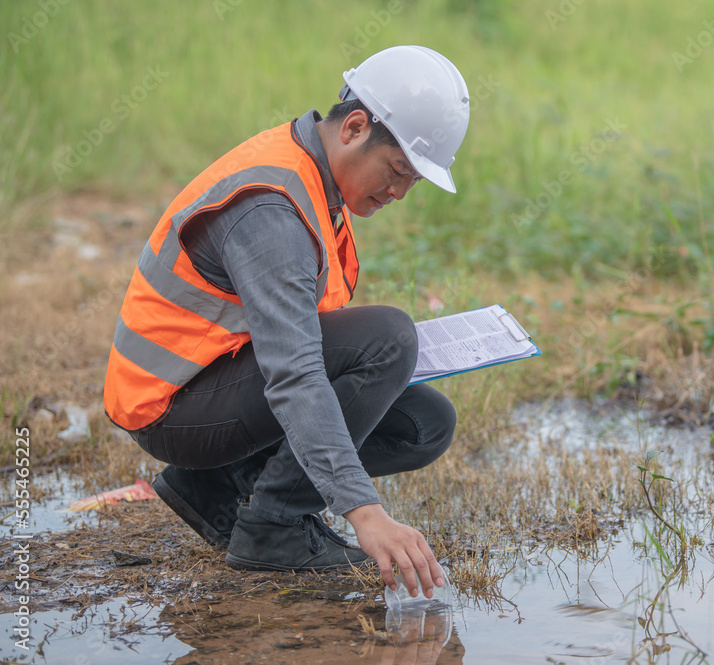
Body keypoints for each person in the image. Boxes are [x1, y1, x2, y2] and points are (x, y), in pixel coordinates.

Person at [103, 45, 471, 601]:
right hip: (173, 407)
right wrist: (364, 512)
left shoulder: (315, 179)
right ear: (353, 127)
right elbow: (296, 372)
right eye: (397, 171)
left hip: (219, 383)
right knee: (389, 338)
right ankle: (274, 526)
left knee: (425, 423)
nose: (398, 193)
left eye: (414, 182)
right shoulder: (271, 211)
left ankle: (215, 486)